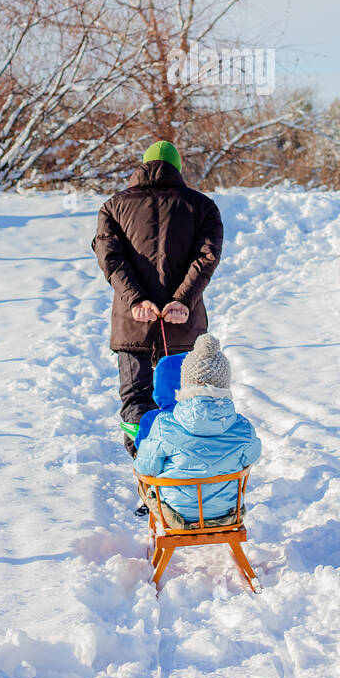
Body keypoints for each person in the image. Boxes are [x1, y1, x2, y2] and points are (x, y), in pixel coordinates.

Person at [92, 139, 224, 457]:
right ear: (177, 169)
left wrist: (136, 300)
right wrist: (182, 300)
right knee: (188, 404)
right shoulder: (202, 206)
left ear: (142, 165)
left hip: (132, 327)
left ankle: (149, 484)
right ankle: (181, 485)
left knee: (138, 404)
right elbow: (206, 257)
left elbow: (111, 259)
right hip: (184, 327)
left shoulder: (113, 206)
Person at [134, 332, 261, 527]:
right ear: (225, 383)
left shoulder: (164, 425)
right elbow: (250, 458)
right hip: (227, 513)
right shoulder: (242, 427)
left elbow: (146, 468)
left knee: (145, 478)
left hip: (176, 515)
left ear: (185, 382)